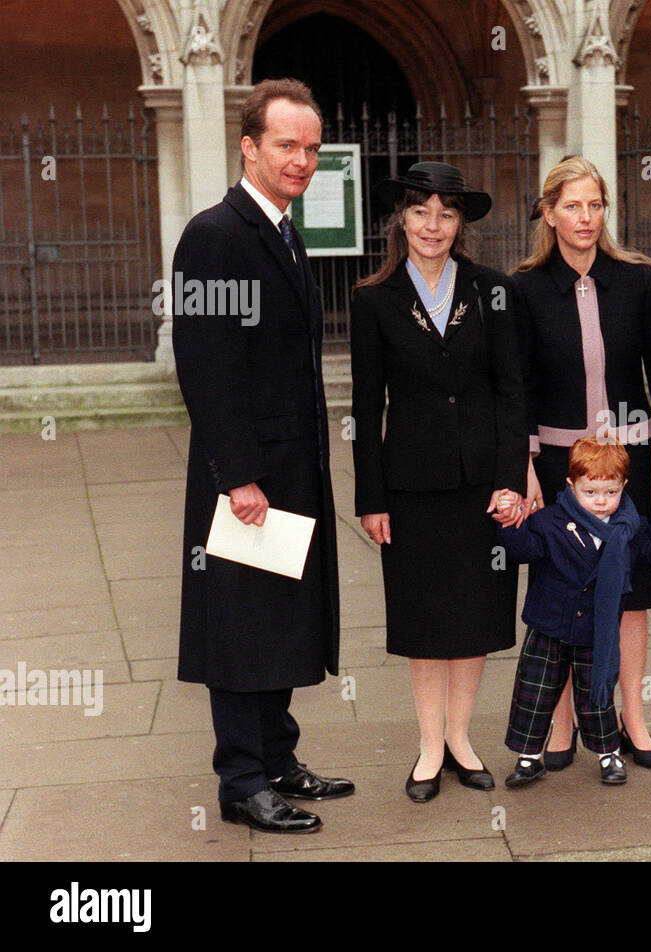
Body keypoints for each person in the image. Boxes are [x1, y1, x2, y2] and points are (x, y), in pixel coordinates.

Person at [172, 78, 352, 834]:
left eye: (312, 148)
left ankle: (277, 755)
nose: (302, 161)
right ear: (248, 146)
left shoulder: (284, 231)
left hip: (290, 465)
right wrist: (238, 477)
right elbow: (204, 365)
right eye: (287, 146)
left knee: (280, 616)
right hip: (245, 476)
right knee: (242, 625)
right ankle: (242, 780)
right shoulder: (215, 234)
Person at [349, 161, 528, 802]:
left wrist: (513, 479)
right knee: (424, 617)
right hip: (411, 486)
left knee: (477, 613)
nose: (433, 225)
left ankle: (461, 738)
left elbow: (513, 395)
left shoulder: (492, 290)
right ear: (402, 218)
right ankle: (428, 748)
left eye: (446, 213)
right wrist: (371, 497)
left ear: (461, 223)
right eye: (421, 211)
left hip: (483, 484)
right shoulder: (373, 299)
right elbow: (366, 410)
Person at [511, 156, 651, 771]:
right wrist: (524, 465)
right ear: (548, 213)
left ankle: (632, 718)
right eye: (572, 206)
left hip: (627, 462)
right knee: (559, 592)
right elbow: (517, 386)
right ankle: (559, 728)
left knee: (631, 590)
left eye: (595, 205)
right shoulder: (523, 288)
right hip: (555, 465)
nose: (585, 218)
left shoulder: (636, 280)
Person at [497, 438, 651, 787]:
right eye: (591, 492)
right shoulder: (549, 521)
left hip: (595, 631)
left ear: (623, 487)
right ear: (571, 486)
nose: (601, 501)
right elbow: (523, 551)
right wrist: (509, 523)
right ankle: (527, 757)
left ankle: (608, 753)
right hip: (548, 625)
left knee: (596, 693)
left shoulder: (628, 528)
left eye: (610, 492)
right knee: (534, 694)